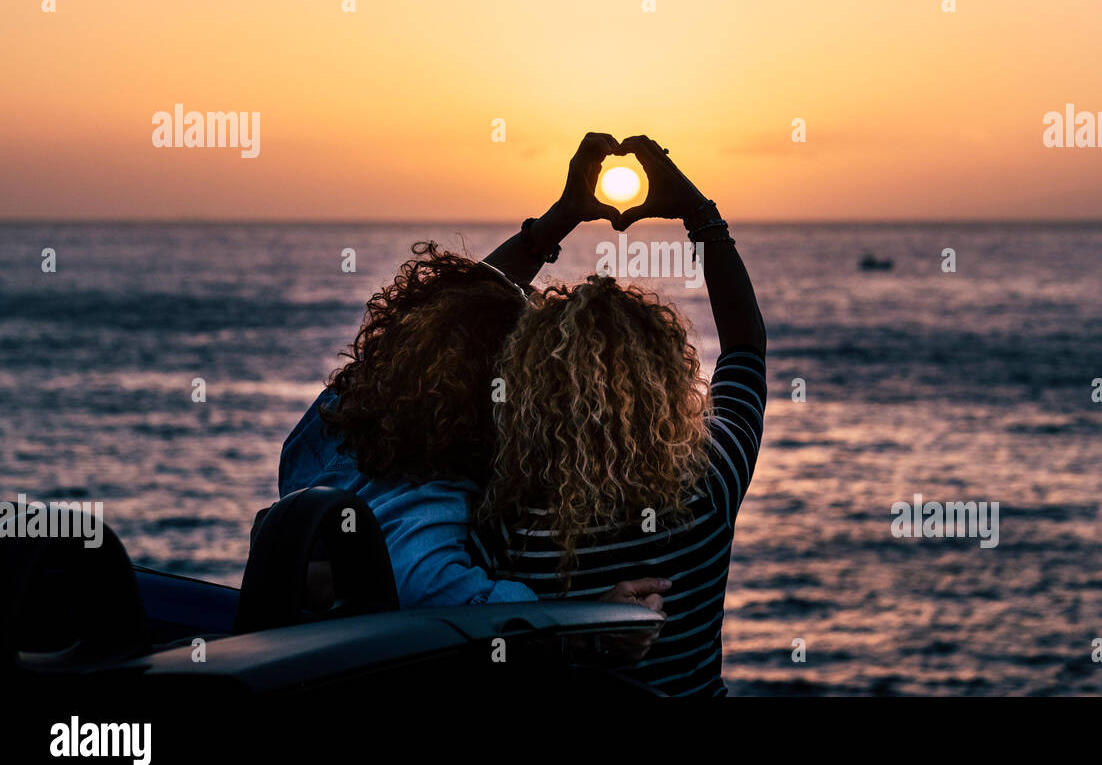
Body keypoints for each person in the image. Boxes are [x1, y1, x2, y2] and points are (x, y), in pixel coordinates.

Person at [277, 134, 669, 618]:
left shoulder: (342, 413)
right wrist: (585, 620)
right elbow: (432, 588)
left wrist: (559, 219)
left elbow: (458, 313)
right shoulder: (429, 484)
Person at [478, 136, 767, 696]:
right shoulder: (712, 479)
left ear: (532, 387)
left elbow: (456, 315)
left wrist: (556, 221)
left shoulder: (506, 517)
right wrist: (699, 216)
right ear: (664, 376)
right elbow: (745, 346)